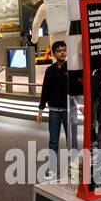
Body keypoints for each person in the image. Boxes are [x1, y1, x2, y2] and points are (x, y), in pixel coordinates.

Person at [37, 41, 73, 170]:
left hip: (68, 111)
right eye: (59, 50)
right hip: (53, 112)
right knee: (53, 142)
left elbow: (77, 88)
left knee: (72, 141)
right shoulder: (50, 70)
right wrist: (40, 110)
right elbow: (45, 90)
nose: (62, 52)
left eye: (64, 50)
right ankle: (52, 168)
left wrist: (80, 104)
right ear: (54, 53)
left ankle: (74, 168)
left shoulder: (71, 68)